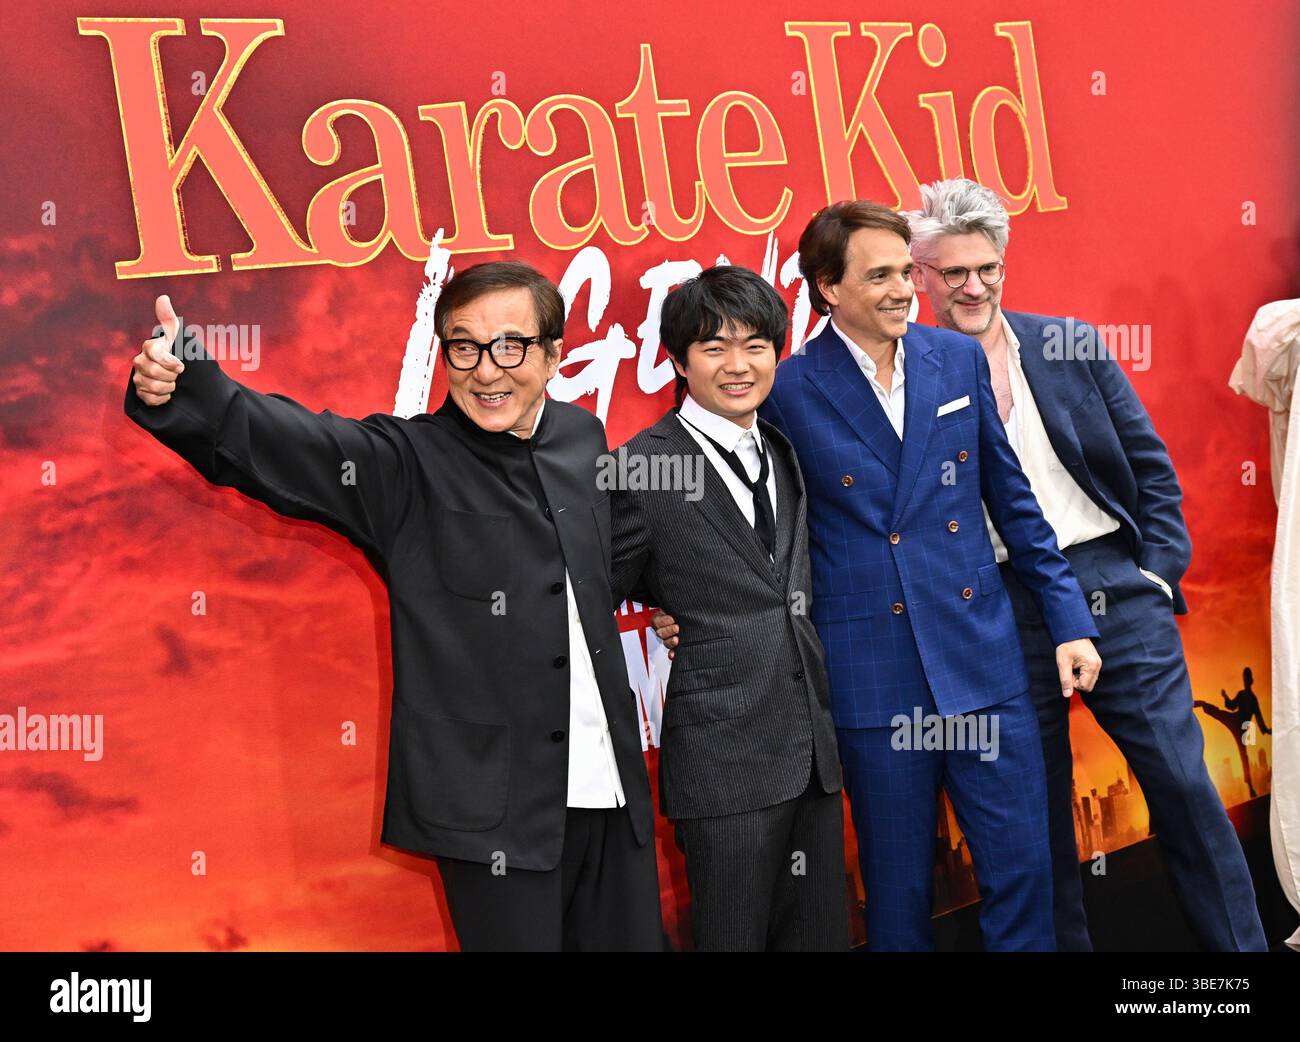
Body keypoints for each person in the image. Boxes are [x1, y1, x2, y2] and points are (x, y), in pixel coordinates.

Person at [125, 262, 663, 952]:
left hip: (614, 800)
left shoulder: (582, 438)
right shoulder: (407, 463)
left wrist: (674, 605)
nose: (486, 370)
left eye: (511, 346)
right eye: (463, 347)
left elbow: (613, 557)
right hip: (494, 815)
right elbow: (299, 443)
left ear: (554, 354)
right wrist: (194, 386)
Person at [662, 201, 1101, 951]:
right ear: (828, 287)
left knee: (1022, 874)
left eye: (906, 271)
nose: (905, 288)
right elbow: (736, 501)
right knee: (897, 896)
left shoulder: (955, 359)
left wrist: (1069, 619)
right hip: (872, 675)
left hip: (983, 659)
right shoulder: (787, 387)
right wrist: (683, 599)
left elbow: (1014, 502)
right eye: (881, 275)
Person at [905, 177, 1267, 951]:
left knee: (1182, 789)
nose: (974, 287)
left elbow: (1151, 470)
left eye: (987, 268)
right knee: (1033, 823)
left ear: (1005, 265)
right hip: (999, 605)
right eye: (954, 273)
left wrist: (1157, 576)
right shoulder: (907, 382)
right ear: (920, 277)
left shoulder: (1068, 344)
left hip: (1112, 587)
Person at [607, 265, 847, 951]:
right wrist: (658, 604)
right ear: (679, 361)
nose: (738, 365)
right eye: (714, 347)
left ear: (778, 350)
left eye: (755, 344)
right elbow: (592, 592)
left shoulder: (780, 447)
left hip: (812, 759)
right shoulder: (640, 469)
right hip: (723, 768)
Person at [1196, 667, 1272, 798]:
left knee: (1244, 756)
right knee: (1218, 713)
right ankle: (1202, 704)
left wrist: (1269, 731)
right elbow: (1231, 706)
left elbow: (1260, 723)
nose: (1245, 681)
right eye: (1244, 678)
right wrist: (1225, 696)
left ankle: (1250, 788)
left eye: (1247, 678)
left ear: (1251, 680)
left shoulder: (1253, 700)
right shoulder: (1242, 695)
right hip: (1235, 720)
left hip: (1241, 728)